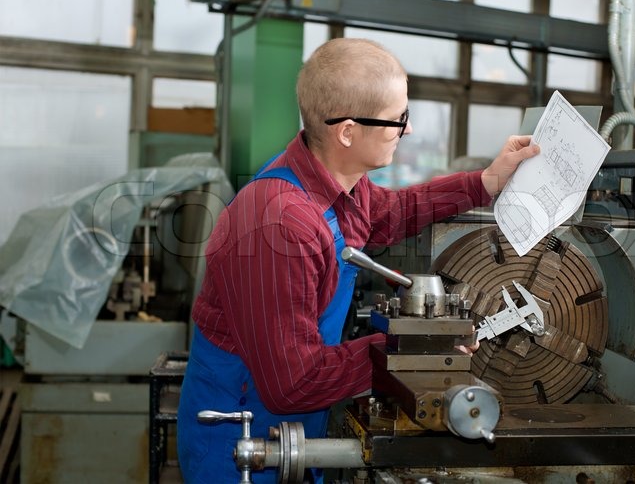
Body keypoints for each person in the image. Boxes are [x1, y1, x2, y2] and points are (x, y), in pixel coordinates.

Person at [177, 37, 540, 483]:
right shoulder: (278, 225)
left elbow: (390, 214)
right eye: (397, 118)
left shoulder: (335, 179)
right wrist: (408, 348)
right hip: (240, 444)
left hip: (291, 433)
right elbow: (292, 384)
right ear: (347, 131)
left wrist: (485, 182)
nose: (406, 130)